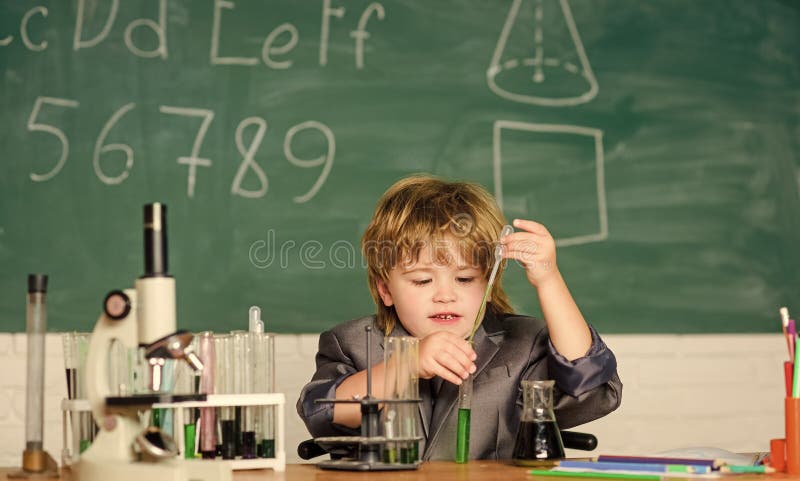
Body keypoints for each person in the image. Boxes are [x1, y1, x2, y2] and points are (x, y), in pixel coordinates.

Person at [297, 174, 622, 461]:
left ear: (490, 283)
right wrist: (406, 364)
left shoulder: (523, 344)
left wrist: (549, 280)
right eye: (422, 280)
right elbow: (321, 411)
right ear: (386, 290)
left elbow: (592, 388)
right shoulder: (353, 342)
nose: (445, 295)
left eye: (464, 279)